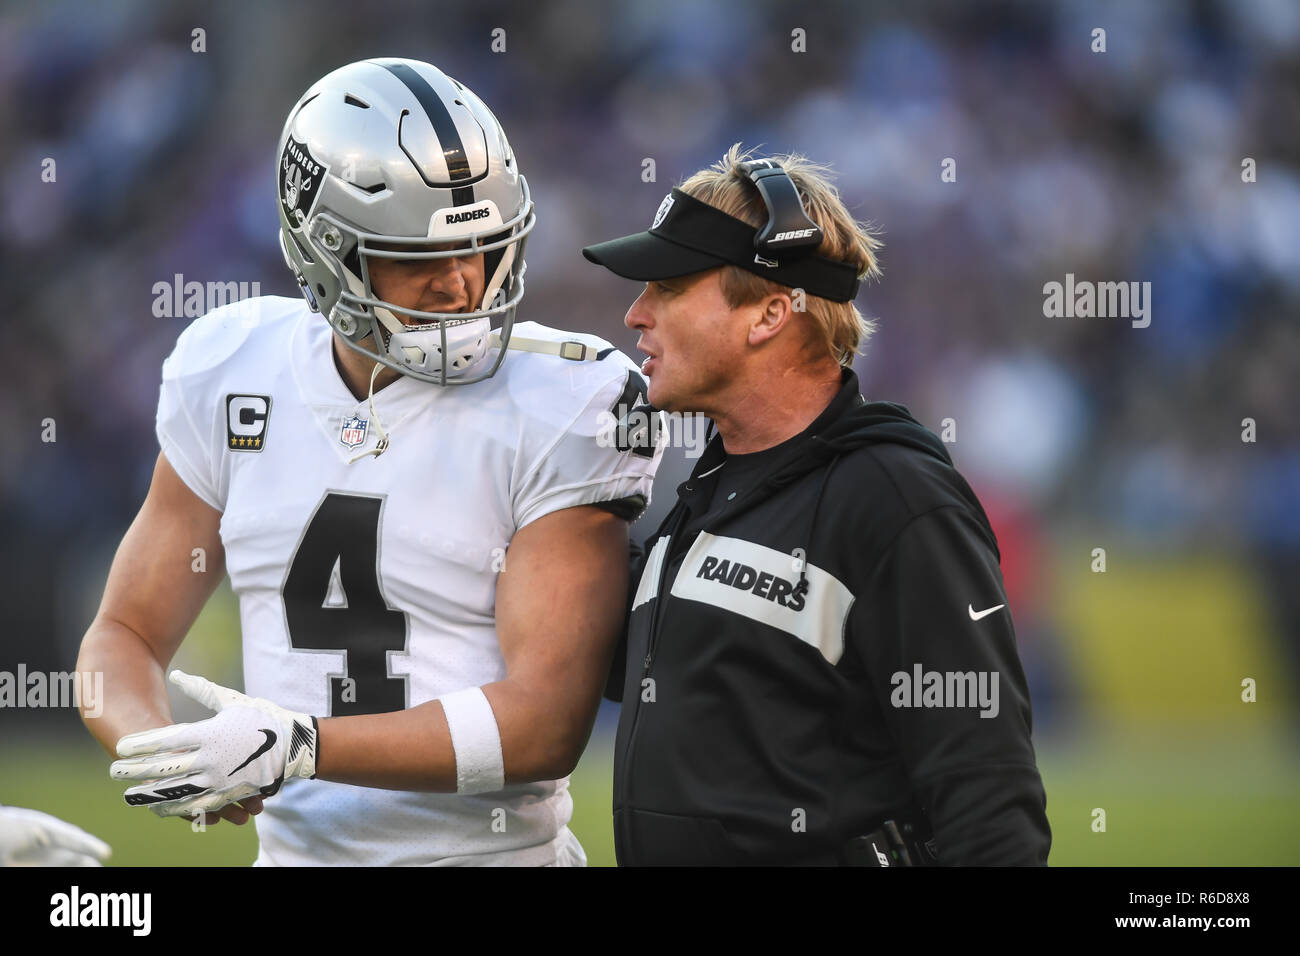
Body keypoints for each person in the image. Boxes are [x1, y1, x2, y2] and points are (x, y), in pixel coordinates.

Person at [75, 57, 662, 866]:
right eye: (418, 258)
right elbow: (123, 635)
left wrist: (301, 747)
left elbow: (545, 723)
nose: (463, 286)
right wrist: (168, 754)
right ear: (325, 250)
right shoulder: (233, 366)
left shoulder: (564, 396)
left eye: (484, 249)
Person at [582, 146, 1051, 865]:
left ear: (770, 312)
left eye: (669, 288)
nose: (635, 313)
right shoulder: (707, 495)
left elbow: (989, 805)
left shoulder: (893, 498)